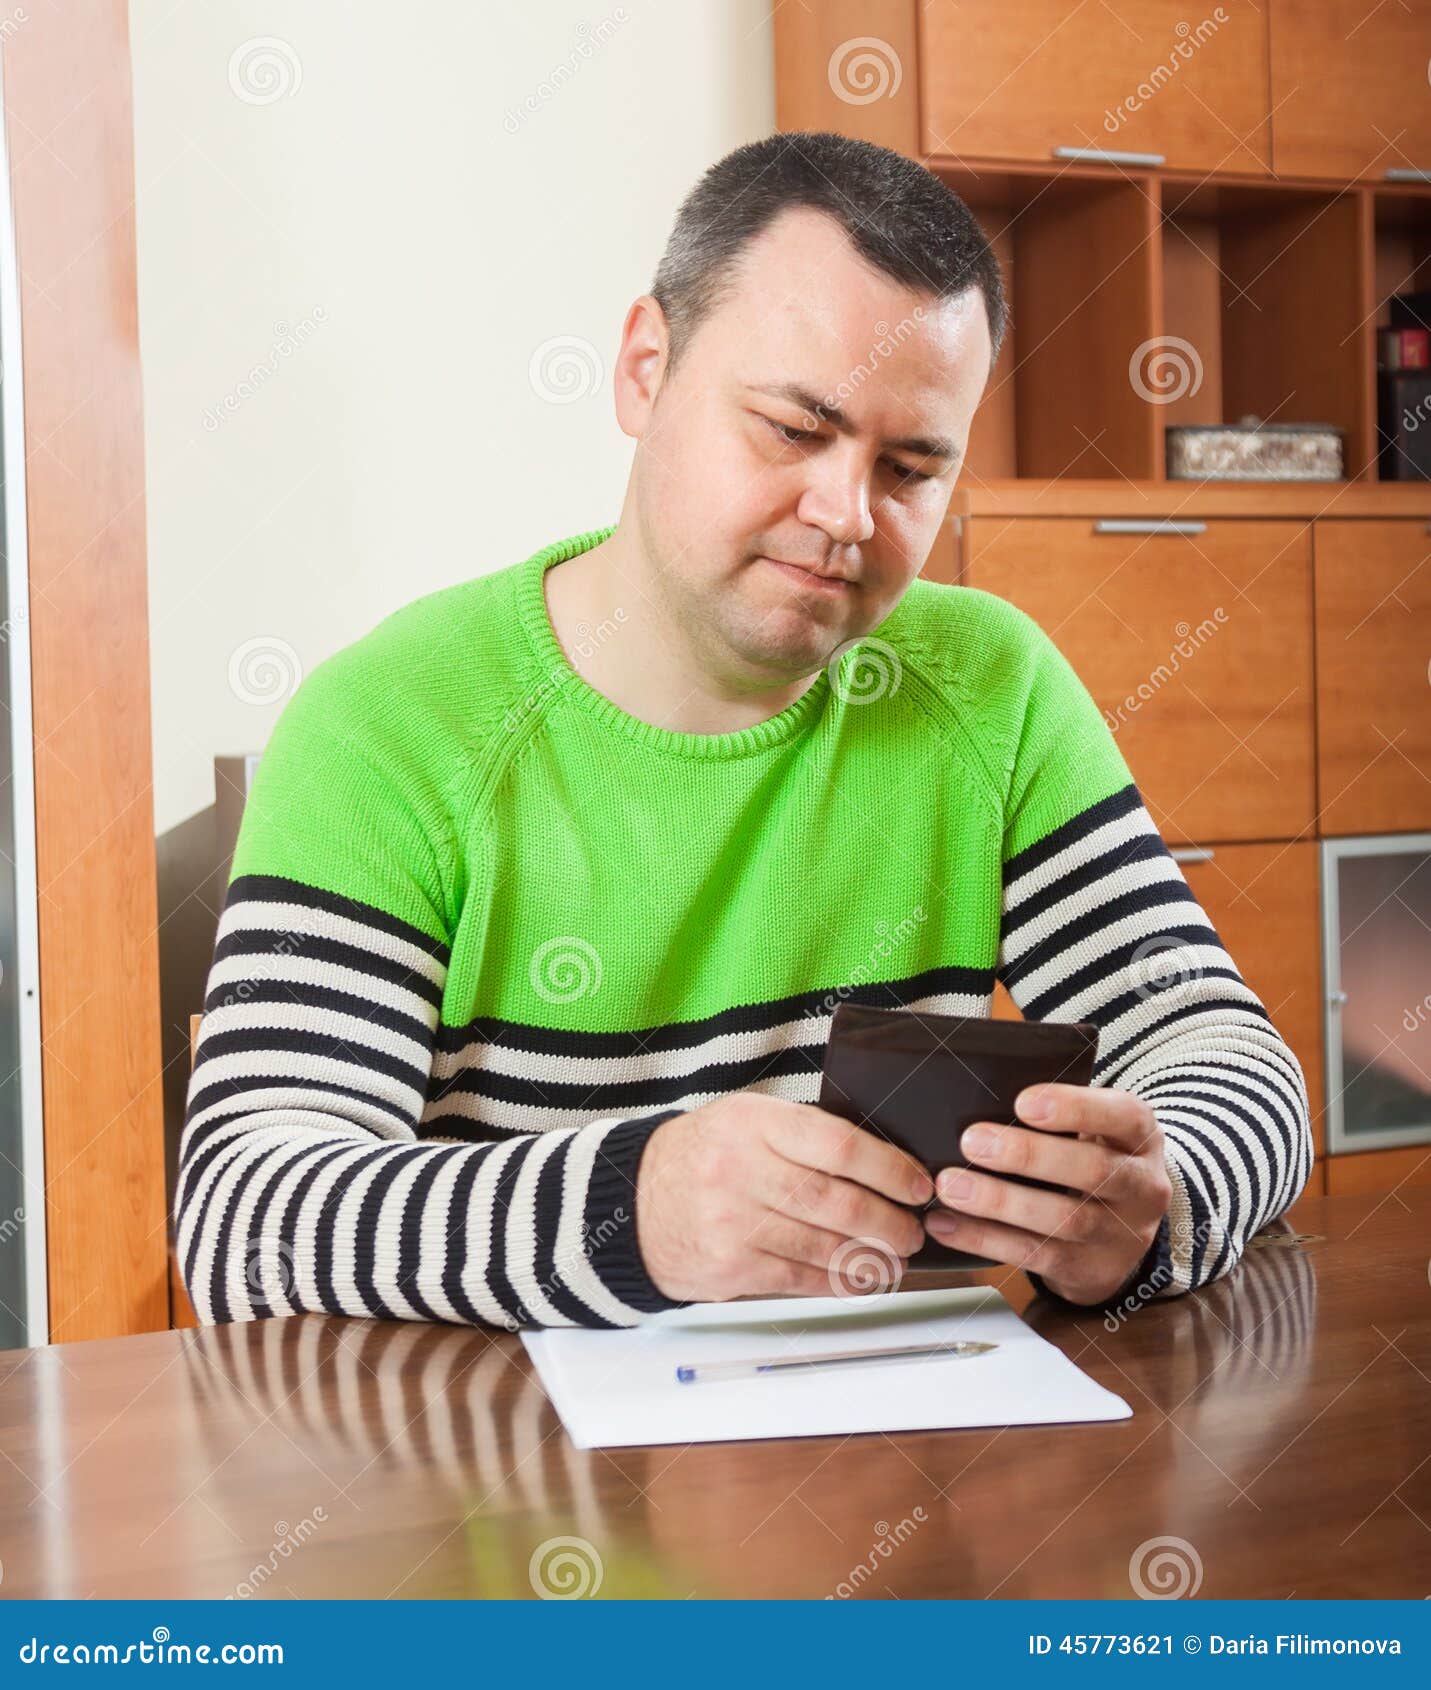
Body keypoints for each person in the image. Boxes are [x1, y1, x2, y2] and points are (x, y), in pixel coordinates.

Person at [177, 131, 1312, 1330]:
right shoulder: (389, 724)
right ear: (644, 368)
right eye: (792, 427)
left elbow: (1234, 1060)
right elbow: (246, 1218)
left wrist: (1154, 1206)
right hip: (516, 1486)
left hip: (920, 1472)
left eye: (912, 468)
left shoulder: (992, 687)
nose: (845, 515)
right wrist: (636, 1208)